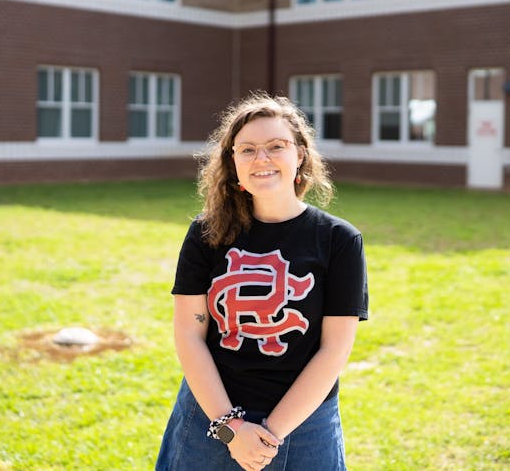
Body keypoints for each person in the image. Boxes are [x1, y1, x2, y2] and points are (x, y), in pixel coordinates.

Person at [156, 92, 369, 471]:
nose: (262, 158)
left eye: (276, 146)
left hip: (305, 426)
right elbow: (189, 336)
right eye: (247, 150)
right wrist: (231, 429)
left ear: (299, 154)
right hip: (211, 417)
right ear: (232, 161)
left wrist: (270, 434)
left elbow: (334, 350)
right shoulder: (206, 234)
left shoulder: (339, 240)